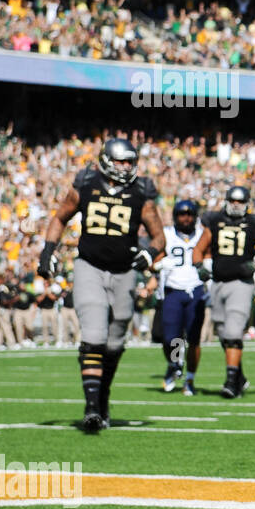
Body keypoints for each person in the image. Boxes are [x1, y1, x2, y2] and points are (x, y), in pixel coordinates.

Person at [37, 137, 165, 432]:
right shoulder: (85, 183)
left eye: (130, 161)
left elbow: (159, 237)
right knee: (94, 334)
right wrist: (47, 251)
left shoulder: (141, 191)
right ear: (106, 160)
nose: (126, 167)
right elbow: (59, 218)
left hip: (124, 272)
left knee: (115, 341)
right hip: (89, 267)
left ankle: (102, 393)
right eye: (121, 161)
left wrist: (150, 252)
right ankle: (92, 406)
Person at [192, 185, 255, 398]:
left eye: (240, 201)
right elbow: (198, 249)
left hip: (241, 282)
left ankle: (231, 382)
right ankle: (239, 376)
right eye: (233, 200)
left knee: (232, 333)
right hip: (218, 282)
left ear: (247, 203)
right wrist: (199, 267)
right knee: (222, 333)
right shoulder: (214, 220)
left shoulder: (254, 223)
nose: (236, 205)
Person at [159, 199, 208, 395]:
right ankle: (175, 363)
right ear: (175, 216)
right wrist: (160, 264)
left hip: (196, 289)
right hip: (173, 289)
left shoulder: (203, 235)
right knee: (171, 338)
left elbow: (211, 255)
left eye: (189, 214)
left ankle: (190, 379)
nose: (186, 218)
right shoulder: (166, 234)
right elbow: (155, 256)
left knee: (194, 339)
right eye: (181, 214)